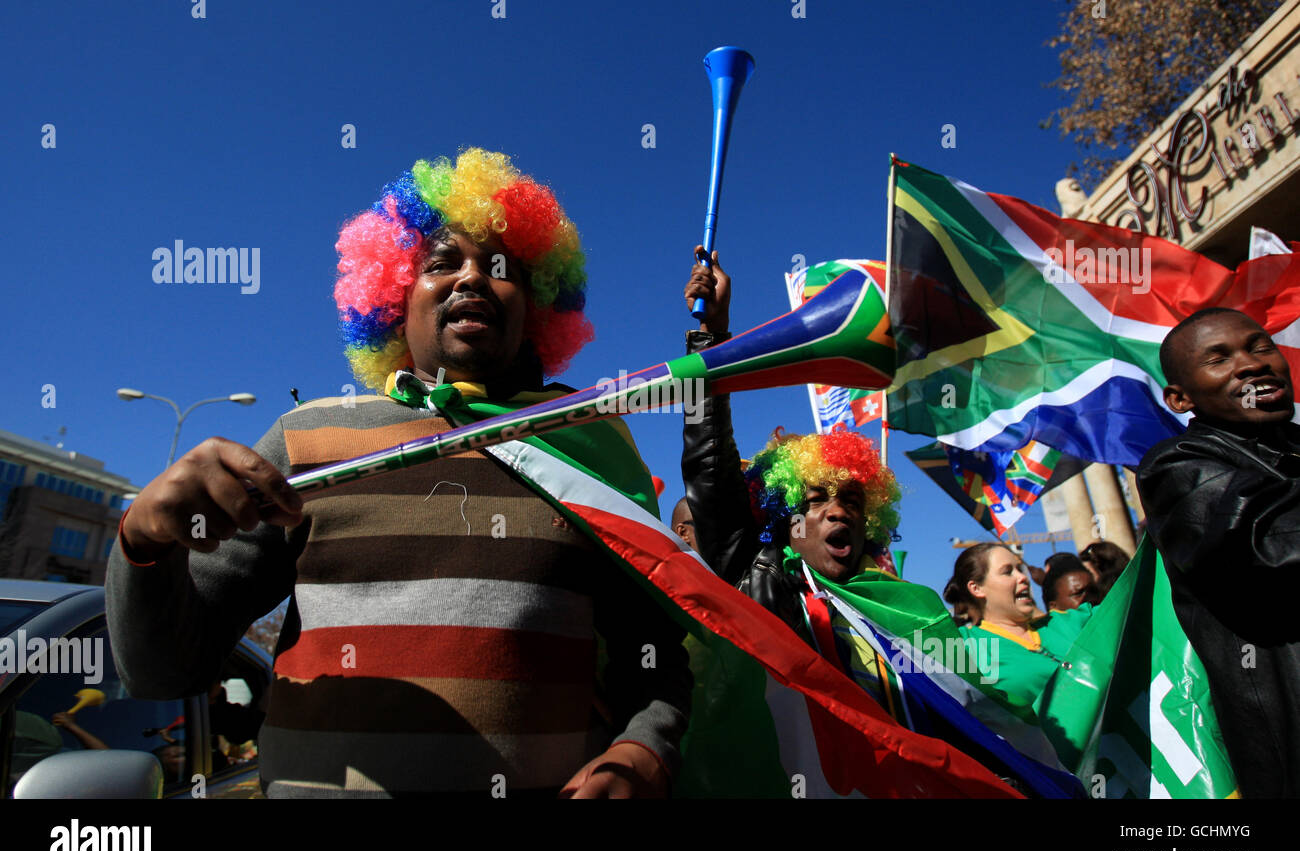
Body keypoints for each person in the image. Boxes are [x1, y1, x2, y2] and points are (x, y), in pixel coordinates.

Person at [107, 148, 692, 798]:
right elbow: (163, 670)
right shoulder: (304, 438)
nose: (471, 278)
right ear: (392, 298)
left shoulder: (587, 443)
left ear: (537, 305)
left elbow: (657, 656)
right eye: (441, 262)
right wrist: (145, 540)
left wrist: (643, 752)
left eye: (500, 268)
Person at [679, 249, 901, 645]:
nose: (837, 511)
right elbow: (708, 461)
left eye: (852, 500)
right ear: (784, 518)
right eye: (814, 499)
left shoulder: (901, 612)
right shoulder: (755, 577)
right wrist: (712, 337)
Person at [1136, 307, 1300, 798]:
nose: (1251, 365)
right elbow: (1267, 547)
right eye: (1219, 359)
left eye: (1260, 346)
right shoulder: (1177, 468)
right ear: (1179, 397)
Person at [951, 543, 1092, 706]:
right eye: (1007, 572)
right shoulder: (964, 645)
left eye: (1019, 569)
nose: (1023, 577)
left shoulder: (1074, 620)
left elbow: (1123, 601)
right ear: (977, 588)